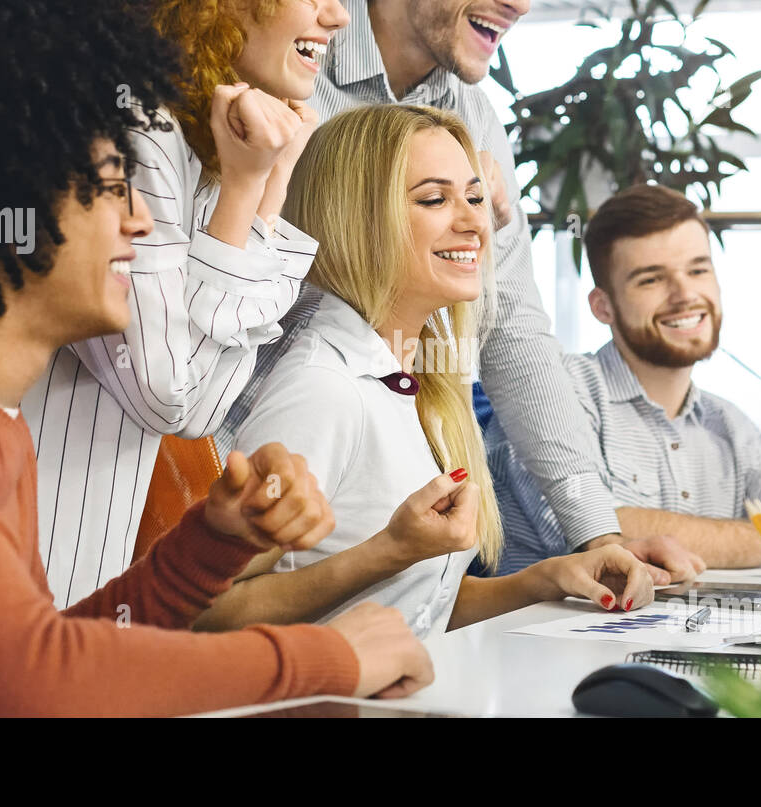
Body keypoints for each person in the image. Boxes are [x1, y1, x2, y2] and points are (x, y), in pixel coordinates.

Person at [0, 0, 428, 716]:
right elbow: (29, 680)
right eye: (116, 185)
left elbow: (50, 652)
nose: (142, 219)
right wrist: (328, 658)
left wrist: (211, 543)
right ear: (5, 195)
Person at [214, 0, 696, 579]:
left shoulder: (474, 113)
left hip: (395, 447)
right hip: (227, 461)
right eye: (435, 197)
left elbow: (512, 323)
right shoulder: (277, 59)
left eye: (472, 197)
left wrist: (596, 533)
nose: (521, 5)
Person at [196, 105, 679, 638]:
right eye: (434, 199)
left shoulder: (419, 386)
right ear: (356, 219)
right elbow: (209, 614)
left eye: (474, 197)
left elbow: (417, 604)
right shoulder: (323, 391)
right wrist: (388, 552)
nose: (475, 221)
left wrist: (545, 579)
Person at [20, 0, 352, 607]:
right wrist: (249, 188)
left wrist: (265, 186)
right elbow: (167, 395)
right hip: (36, 562)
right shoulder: (136, 126)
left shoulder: (191, 131)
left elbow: (199, 405)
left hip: (79, 566)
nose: (339, 16)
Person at [486, 184, 761, 575]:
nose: (684, 294)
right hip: (553, 642)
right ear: (603, 307)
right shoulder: (551, 393)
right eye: (651, 279)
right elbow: (591, 527)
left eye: (698, 270)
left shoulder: (726, 424)